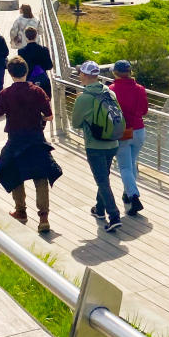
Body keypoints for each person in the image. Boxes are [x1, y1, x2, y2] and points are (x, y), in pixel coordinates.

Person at [0, 57, 61, 234]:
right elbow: (50, 115)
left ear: (10, 73)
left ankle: (20, 211)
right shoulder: (37, 91)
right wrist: (41, 118)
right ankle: (43, 218)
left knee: (13, 172)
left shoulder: (5, 94)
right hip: (36, 139)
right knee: (41, 177)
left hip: (15, 140)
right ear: (26, 71)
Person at [69, 61, 124, 233]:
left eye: (80, 74)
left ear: (85, 75)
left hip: (95, 145)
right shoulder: (110, 92)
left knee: (102, 180)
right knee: (104, 177)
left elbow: (76, 123)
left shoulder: (83, 98)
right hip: (113, 142)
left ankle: (113, 216)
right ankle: (99, 209)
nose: (79, 76)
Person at [109, 60, 149, 216]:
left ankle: (134, 197)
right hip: (139, 130)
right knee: (132, 163)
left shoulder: (111, 90)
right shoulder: (140, 89)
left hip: (123, 131)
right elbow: (144, 110)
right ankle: (127, 193)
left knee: (124, 167)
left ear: (115, 73)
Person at [17, 27, 54, 97]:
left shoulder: (21, 51)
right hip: (43, 80)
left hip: (28, 82)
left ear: (25, 37)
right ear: (36, 36)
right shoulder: (44, 50)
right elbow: (49, 66)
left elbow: (21, 68)